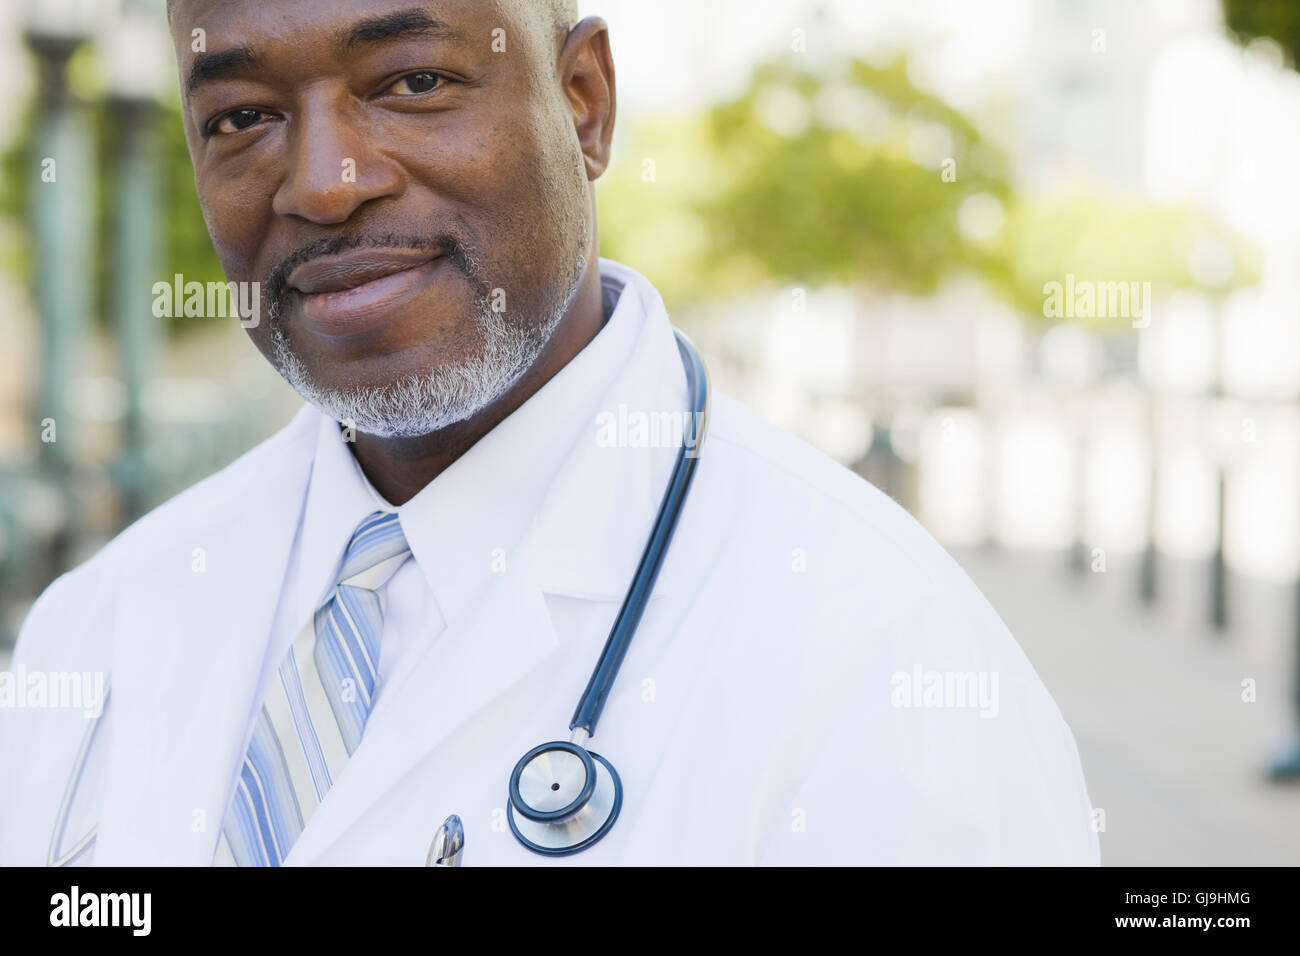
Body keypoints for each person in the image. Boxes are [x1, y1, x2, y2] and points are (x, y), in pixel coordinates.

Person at [0, 0, 1099, 866]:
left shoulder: (883, 655)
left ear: (584, 104)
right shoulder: (98, 623)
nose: (326, 182)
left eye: (412, 82)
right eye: (242, 116)